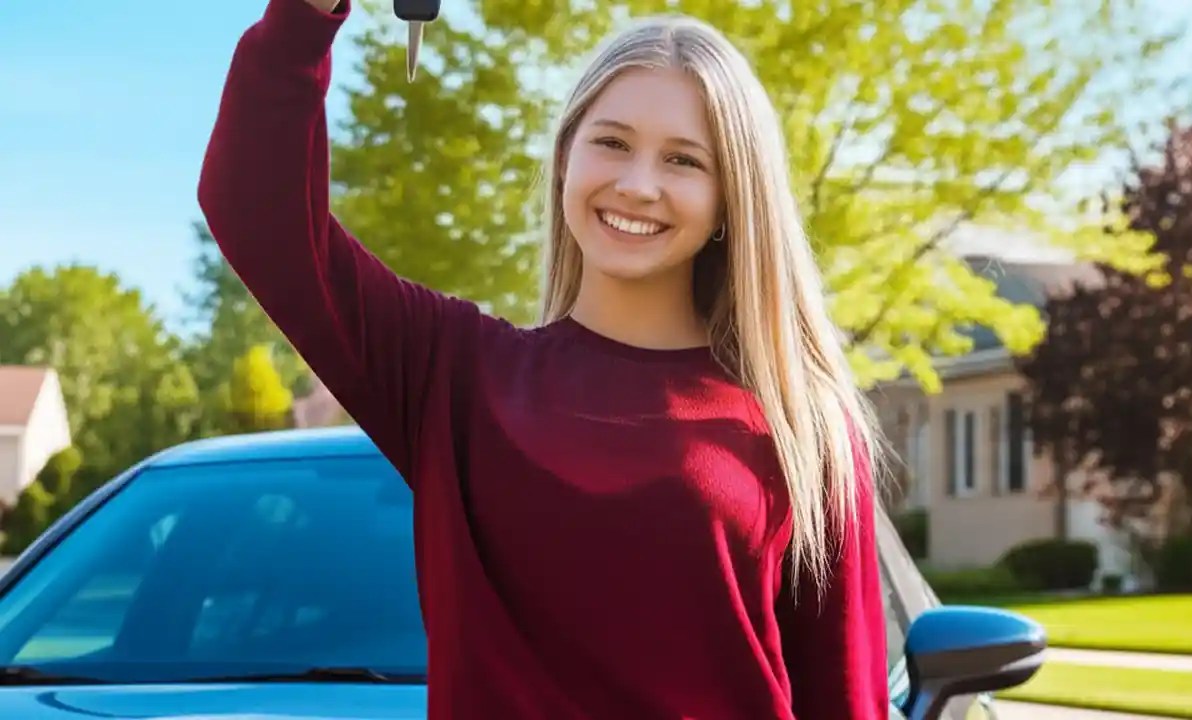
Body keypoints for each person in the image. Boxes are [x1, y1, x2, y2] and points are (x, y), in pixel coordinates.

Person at [197, 0, 890, 717]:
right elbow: (257, 211)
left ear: (728, 200)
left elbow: (844, 697)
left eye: (683, 160)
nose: (638, 184)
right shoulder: (454, 374)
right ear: (566, 157)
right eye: (613, 143)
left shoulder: (798, 421)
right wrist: (306, 16)